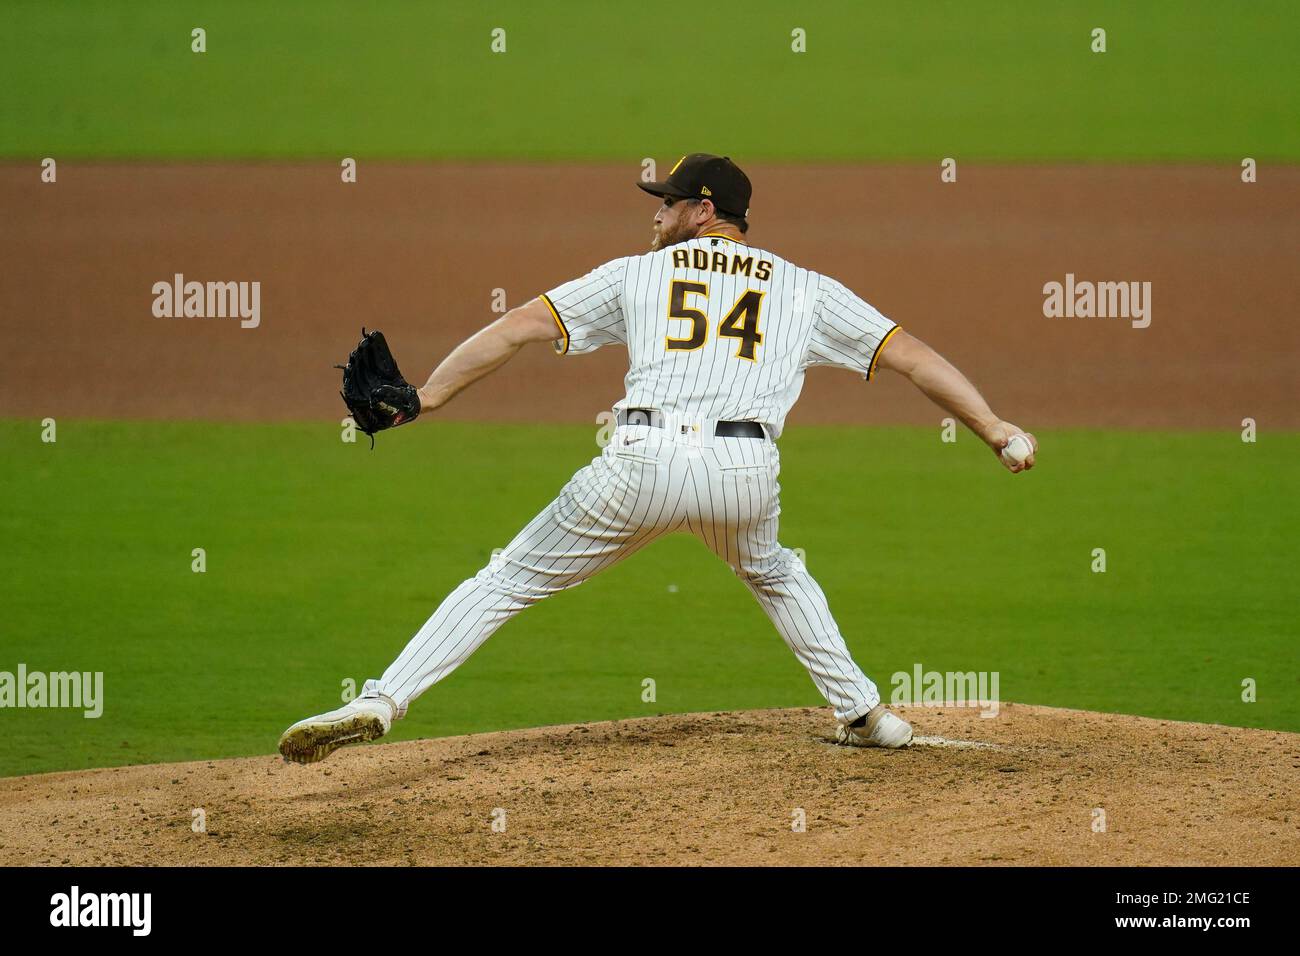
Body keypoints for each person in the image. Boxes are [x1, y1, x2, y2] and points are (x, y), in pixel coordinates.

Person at [278, 153, 1037, 764]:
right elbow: (913, 357)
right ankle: (867, 716)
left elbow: (515, 328)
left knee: (508, 578)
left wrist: (430, 398)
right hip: (745, 476)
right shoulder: (806, 289)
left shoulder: (635, 274)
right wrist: (996, 427)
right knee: (774, 571)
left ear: (704, 211)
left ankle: (379, 701)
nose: (656, 212)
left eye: (668, 202)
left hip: (639, 462)